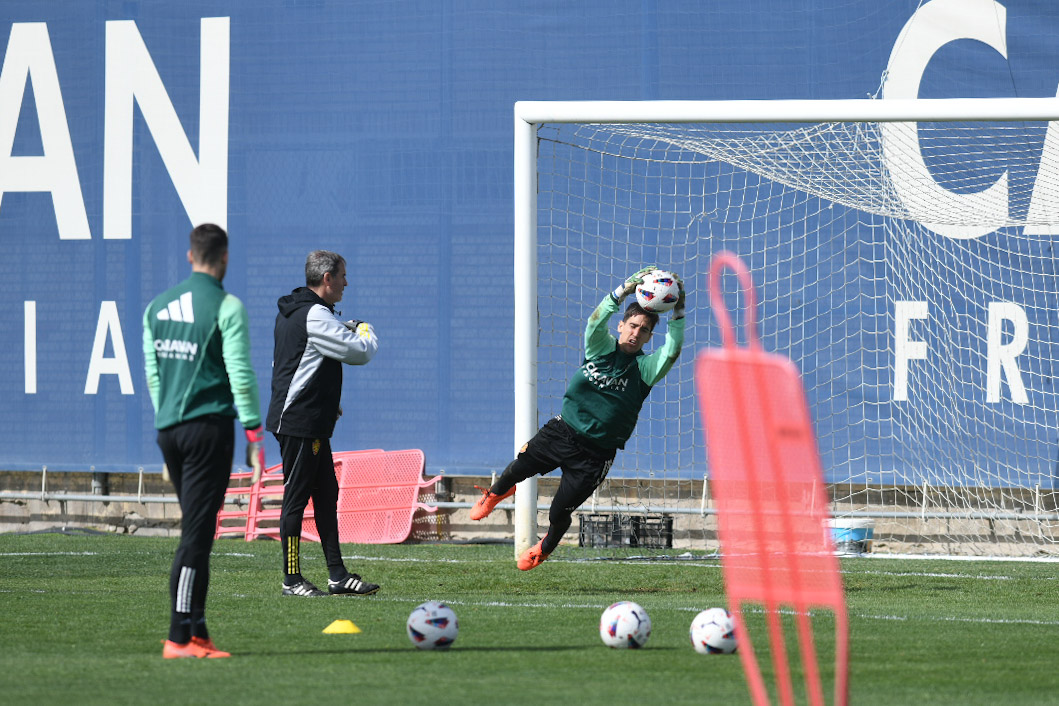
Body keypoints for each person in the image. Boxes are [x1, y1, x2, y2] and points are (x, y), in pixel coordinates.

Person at [471, 266, 686, 570]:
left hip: (595, 456)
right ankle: (494, 495)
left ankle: (543, 549)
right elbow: (595, 320)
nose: (636, 333)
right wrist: (622, 290)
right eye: (633, 325)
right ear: (622, 324)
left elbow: (672, 350)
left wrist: (678, 311)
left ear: (650, 337)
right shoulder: (600, 347)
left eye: (644, 330)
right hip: (562, 432)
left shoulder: (645, 369)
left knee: (560, 511)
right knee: (518, 468)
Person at [143, 223, 265, 659]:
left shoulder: (156, 307)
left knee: (200, 531)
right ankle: (179, 638)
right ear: (225, 258)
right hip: (208, 430)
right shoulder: (226, 306)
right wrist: (253, 432)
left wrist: (168, 425)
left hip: (170, 429)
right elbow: (240, 372)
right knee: (196, 535)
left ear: (190, 256)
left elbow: (154, 374)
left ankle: (198, 632)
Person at [266, 250, 381, 597]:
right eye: (343, 275)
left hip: (308, 419)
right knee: (296, 500)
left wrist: (328, 402)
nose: (347, 282)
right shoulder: (314, 315)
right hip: (301, 423)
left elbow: (302, 364)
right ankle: (291, 579)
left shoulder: (300, 312)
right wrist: (365, 329)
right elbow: (358, 351)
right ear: (327, 278)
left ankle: (337, 575)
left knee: (326, 495)